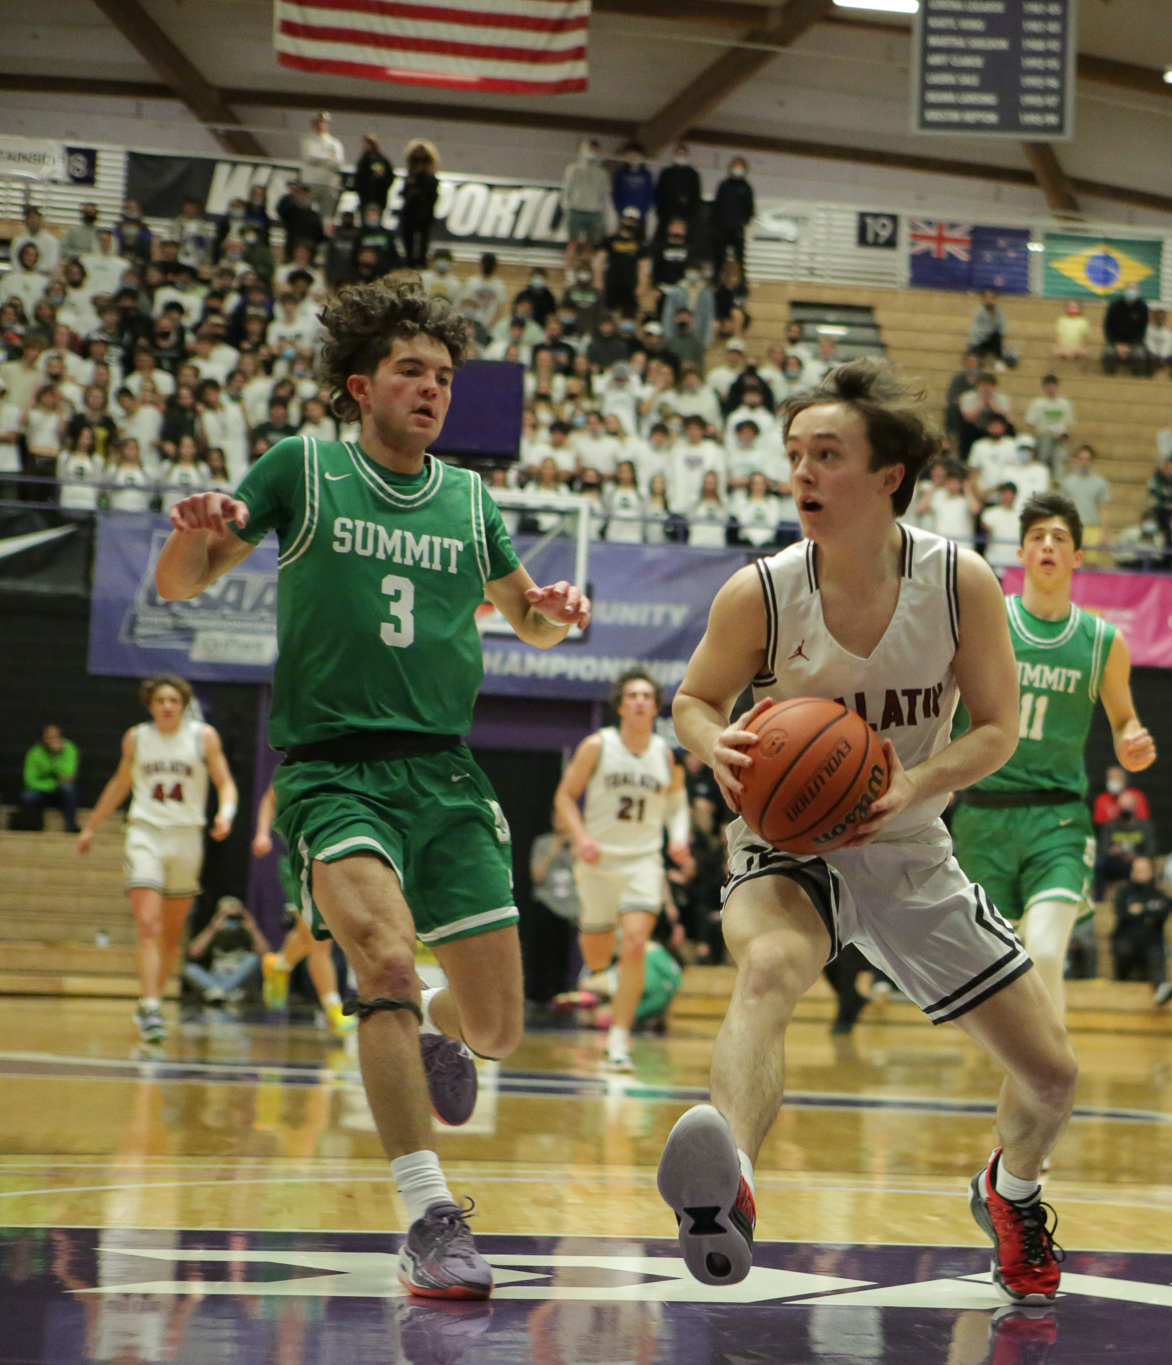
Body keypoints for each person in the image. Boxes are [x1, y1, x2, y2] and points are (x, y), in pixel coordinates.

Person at [150, 275, 592, 1299]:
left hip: (443, 773)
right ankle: (429, 1215)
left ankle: (444, 1023)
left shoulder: (470, 499)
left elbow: (523, 616)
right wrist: (196, 526)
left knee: (498, 1030)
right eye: (410, 371)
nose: (432, 389)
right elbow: (184, 581)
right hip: (331, 770)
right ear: (359, 386)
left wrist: (554, 612)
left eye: (443, 375)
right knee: (383, 961)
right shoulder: (303, 467)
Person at [657, 359, 1075, 1305]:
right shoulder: (759, 593)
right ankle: (731, 1184)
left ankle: (1009, 1193)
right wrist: (713, 744)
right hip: (789, 841)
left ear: (888, 475)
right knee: (769, 963)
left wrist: (913, 782)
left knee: (1050, 1077)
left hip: (910, 844)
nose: (802, 473)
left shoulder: (958, 581)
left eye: (827, 455)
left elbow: (1000, 729)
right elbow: (693, 698)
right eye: (795, 454)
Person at [953, 492, 1156, 1016]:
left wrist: (1132, 741)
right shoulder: (986, 623)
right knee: (991, 976)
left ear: (1077, 557)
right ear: (1020, 554)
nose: (1047, 545)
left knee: (1044, 951)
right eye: (1037, 537)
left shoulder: (1101, 641)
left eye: (1059, 538)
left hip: (1058, 819)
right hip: (982, 816)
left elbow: (1123, 721)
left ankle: (1050, 1084)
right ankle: (1027, 1072)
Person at [74, 675, 238, 1045]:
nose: (167, 706)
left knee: (170, 934)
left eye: (174, 700)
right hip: (145, 834)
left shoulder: (203, 736)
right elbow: (120, 782)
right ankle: (150, 1006)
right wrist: (91, 827)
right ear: (150, 705)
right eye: (161, 700)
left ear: (184, 705)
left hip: (187, 837)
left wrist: (225, 814)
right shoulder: (137, 737)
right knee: (147, 925)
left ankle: (152, 999)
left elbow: (225, 783)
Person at [553, 669, 690, 1073]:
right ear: (620, 704)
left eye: (647, 695)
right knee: (597, 955)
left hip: (643, 860)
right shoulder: (598, 745)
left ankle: (618, 1037)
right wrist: (580, 837)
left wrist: (678, 838)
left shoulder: (665, 753)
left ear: (655, 705)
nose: (640, 701)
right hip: (598, 862)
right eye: (632, 695)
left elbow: (677, 803)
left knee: (634, 944)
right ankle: (602, 976)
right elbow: (564, 796)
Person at [253, 785, 353, 1035]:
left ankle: (279, 963)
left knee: (308, 933)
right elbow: (269, 798)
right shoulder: (300, 761)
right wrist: (262, 834)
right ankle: (333, 1010)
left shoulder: (348, 767)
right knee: (319, 939)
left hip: (331, 860)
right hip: (298, 861)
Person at [1109, 856, 1172, 1005]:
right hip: (1127, 939)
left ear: (1151, 872)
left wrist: (1138, 911)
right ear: (1132, 873)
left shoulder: (1159, 894)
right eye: (1138, 870)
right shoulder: (1123, 893)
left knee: (1157, 951)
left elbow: (1161, 915)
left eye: (1144, 870)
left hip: (1152, 941)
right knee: (1122, 949)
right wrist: (1147, 913)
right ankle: (1120, 986)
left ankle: (1160, 988)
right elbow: (1122, 914)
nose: (1141, 874)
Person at [183, 896, 272, 1004]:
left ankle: (218, 991)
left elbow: (267, 956)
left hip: (239, 979)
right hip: (216, 976)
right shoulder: (213, 930)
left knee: (252, 959)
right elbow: (193, 953)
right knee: (188, 968)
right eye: (227, 916)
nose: (231, 920)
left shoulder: (246, 930)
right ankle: (224, 992)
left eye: (234, 916)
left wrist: (253, 929)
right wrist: (212, 928)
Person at [21, 723, 80, 832]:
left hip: (61, 792)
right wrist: (52, 785)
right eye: (49, 737)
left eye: (55, 737)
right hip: (42, 792)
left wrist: (57, 754)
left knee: (69, 789)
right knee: (28, 796)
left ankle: (71, 825)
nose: (53, 740)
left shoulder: (69, 749)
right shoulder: (35, 753)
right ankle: (35, 826)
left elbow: (68, 775)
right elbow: (30, 780)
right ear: (44, 738)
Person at [563, 140, 612, 264]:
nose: (591, 153)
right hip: (576, 209)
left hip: (595, 211)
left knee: (592, 243)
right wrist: (566, 207)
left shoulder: (602, 173)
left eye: (594, 150)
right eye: (589, 149)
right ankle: (570, 271)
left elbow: (605, 194)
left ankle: (588, 269)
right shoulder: (573, 169)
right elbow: (567, 189)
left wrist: (605, 212)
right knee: (573, 241)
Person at [397, 140, 440, 270]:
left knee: (423, 238)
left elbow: (433, 195)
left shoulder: (430, 178)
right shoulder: (410, 175)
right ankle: (410, 259)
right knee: (409, 237)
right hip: (410, 211)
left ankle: (421, 260)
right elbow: (404, 193)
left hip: (424, 212)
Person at [299, 112, 348, 225]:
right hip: (309, 182)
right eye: (318, 122)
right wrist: (327, 157)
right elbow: (309, 157)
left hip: (329, 183)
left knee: (326, 218)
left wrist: (319, 159)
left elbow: (338, 162)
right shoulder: (307, 140)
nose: (320, 125)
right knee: (305, 214)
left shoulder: (335, 143)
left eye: (323, 122)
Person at [711, 158, 754, 268]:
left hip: (737, 228)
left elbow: (750, 208)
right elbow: (717, 205)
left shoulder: (746, 187)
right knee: (719, 256)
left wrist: (745, 222)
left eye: (739, 166)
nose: (737, 169)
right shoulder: (724, 185)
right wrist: (716, 223)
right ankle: (718, 280)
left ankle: (740, 282)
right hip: (722, 227)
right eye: (735, 166)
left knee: (739, 257)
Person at [1101, 287, 1149, 375]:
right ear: (1125, 291)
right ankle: (1108, 378)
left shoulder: (1142, 308)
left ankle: (1137, 380)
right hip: (1115, 342)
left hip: (1135, 344)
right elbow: (1108, 328)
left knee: (1140, 355)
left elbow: (1142, 331)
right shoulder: (1115, 306)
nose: (1131, 292)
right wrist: (1117, 344)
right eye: (1129, 289)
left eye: (1134, 290)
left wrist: (1130, 345)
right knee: (1108, 353)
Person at [966, 289, 1015, 370]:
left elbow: (1001, 331)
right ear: (982, 300)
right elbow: (977, 333)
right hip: (978, 342)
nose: (989, 300)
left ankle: (999, 361)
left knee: (997, 337)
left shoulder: (1000, 313)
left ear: (995, 300)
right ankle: (977, 365)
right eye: (987, 298)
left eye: (991, 298)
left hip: (991, 341)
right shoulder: (978, 313)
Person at [354, 134, 395, 224]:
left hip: (379, 197)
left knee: (377, 221)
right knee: (365, 221)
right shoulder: (362, 161)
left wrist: (383, 184)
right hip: (365, 197)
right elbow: (358, 178)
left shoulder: (382, 160)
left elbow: (390, 177)